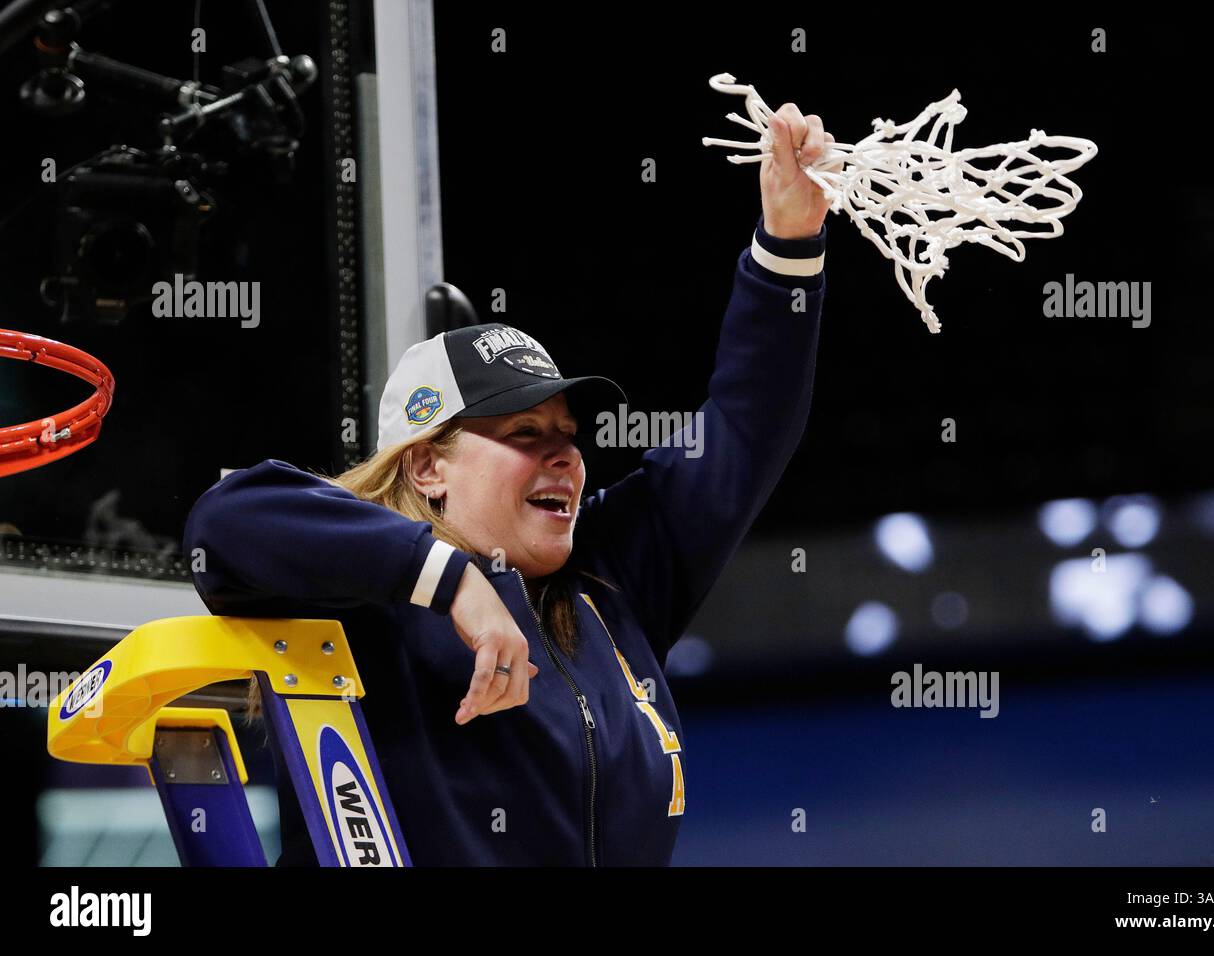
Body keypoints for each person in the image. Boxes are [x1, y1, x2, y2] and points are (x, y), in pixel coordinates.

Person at [182, 103, 836, 866]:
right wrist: (450, 580)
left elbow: (746, 429)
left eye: (567, 434)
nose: (563, 456)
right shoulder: (365, 601)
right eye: (524, 435)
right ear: (427, 467)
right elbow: (225, 522)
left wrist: (788, 245)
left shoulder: (613, 574)